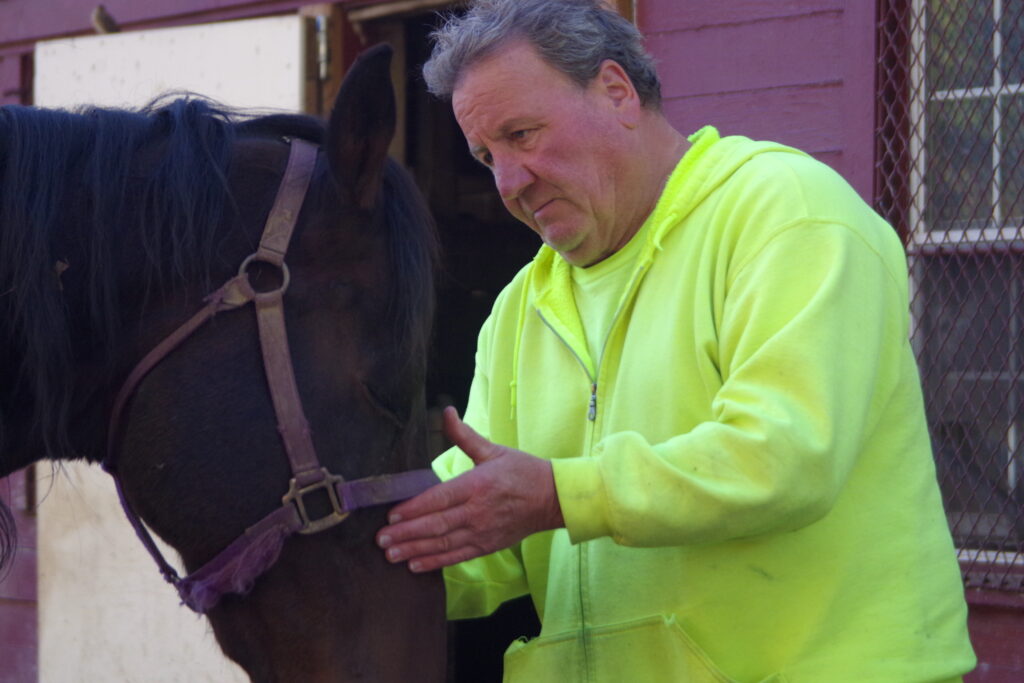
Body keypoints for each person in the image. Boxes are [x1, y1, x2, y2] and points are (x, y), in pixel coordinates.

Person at [375, 0, 976, 680]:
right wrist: (346, 554)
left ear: (616, 91)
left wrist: (559, 493)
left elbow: (783, 455)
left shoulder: (787, 211)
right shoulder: (520, 308)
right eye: (488, 155)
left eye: (522, 134)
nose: (509, 182)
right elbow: (484, 534)